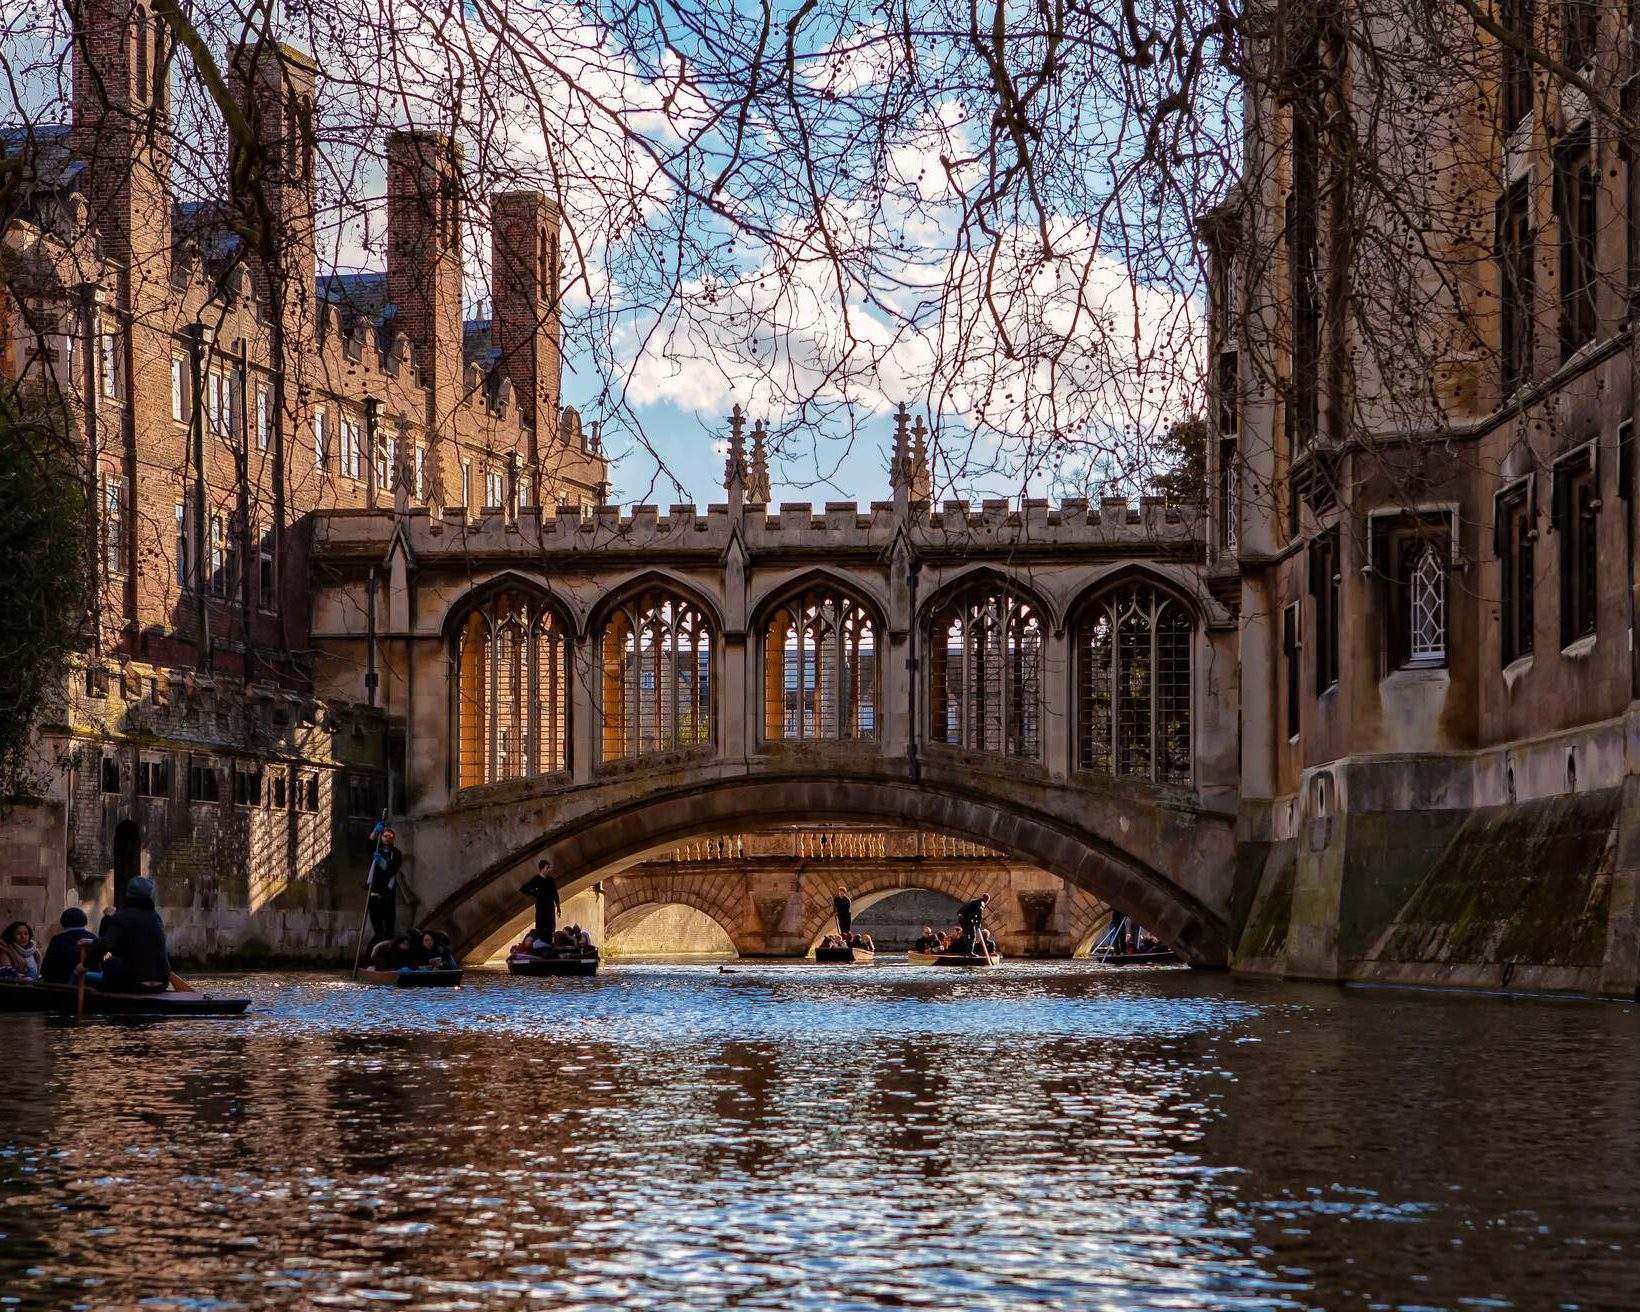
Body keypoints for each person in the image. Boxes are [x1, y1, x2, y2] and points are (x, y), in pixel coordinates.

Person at [97, 876, 171, 992]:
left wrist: (107, 919)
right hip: (162, 981)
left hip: (133, 982)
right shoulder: (156, 918)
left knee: (110, 963)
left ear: (128, 894)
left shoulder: (121, 917)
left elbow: (106, 944)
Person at [366, 823, 403, 945]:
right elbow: (368, 846)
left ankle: (388, 950)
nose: (388, 838)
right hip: (374, 893)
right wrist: (375, 832)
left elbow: (392, 869)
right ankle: (376, 952)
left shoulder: (396, 853)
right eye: (385, 836)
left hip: (388, 895)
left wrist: (382, 862)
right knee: (378, 928)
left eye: (390, 836)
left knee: (389, 928)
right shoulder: (376, 848)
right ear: (381, 837)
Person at [41, 908, 99, 985]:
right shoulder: (93, 938)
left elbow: (46, 968)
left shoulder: (58, 939)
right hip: (89, 984)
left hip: (62, 986)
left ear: (63, 922)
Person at [520, 857, 561, 941]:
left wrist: (558, 907)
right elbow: (524, 888)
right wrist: (536, 894)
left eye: (549, 868)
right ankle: (540, 942)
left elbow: (555, 894)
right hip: (541, 906)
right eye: (547, 868)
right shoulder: (536, 879)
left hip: (550, 906)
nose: (549, 870)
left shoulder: (551, 880)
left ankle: (549, 942)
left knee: (551, 925)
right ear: (542, 869)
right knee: (540, 925)